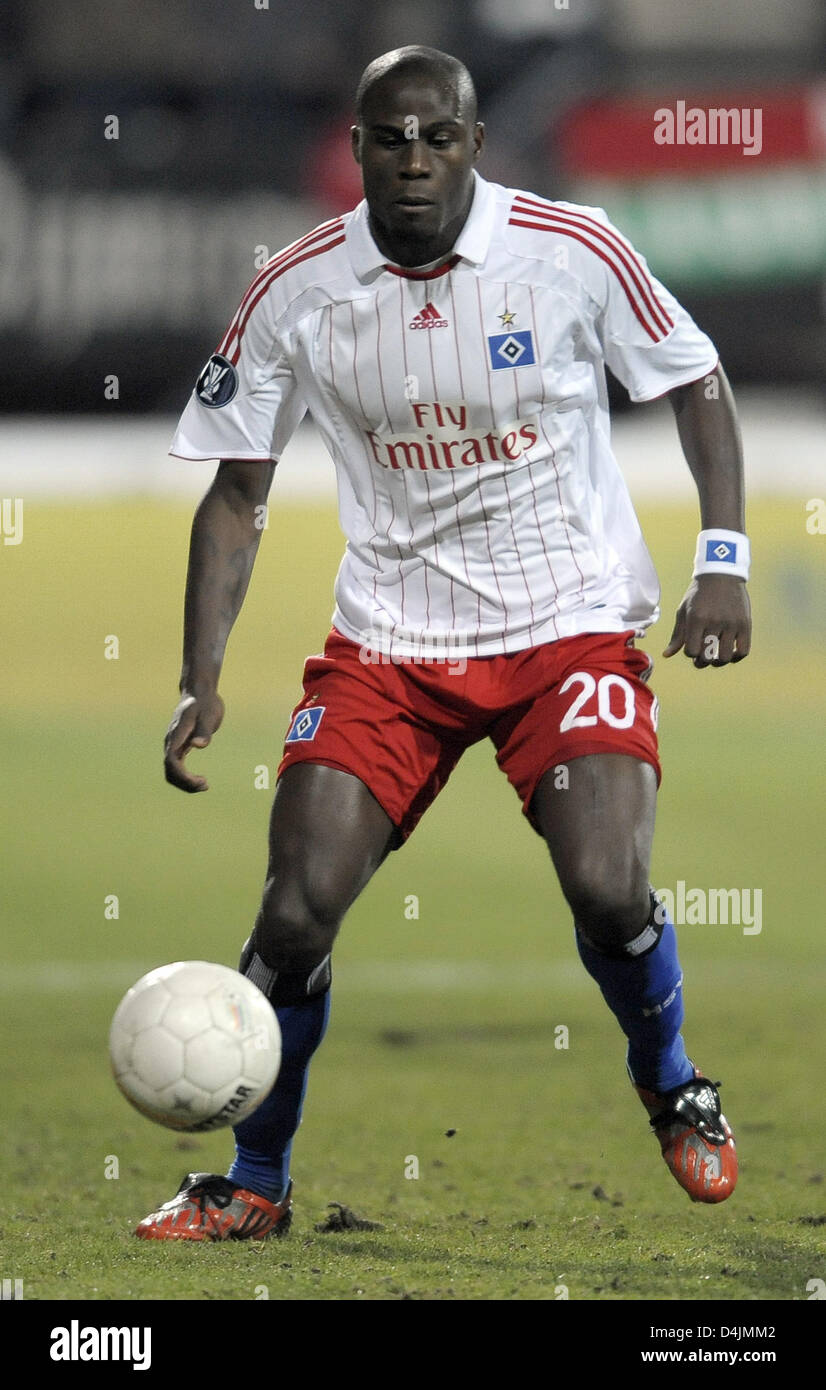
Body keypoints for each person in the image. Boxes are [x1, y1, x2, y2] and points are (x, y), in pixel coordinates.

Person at [136, 46, 750, 1241]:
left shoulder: (569, 251)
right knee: (297, 910)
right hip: (390, 644)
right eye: (390, 138)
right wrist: (200, 674)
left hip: (564, 628)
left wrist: (720, 562)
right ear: (355, 148)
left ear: (474, 145)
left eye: (438, 138)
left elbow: (697, 375)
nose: (414, 159)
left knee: (607, 882)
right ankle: (254, 1182)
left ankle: (673, 1080)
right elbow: (236, 491)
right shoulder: (296, 290)